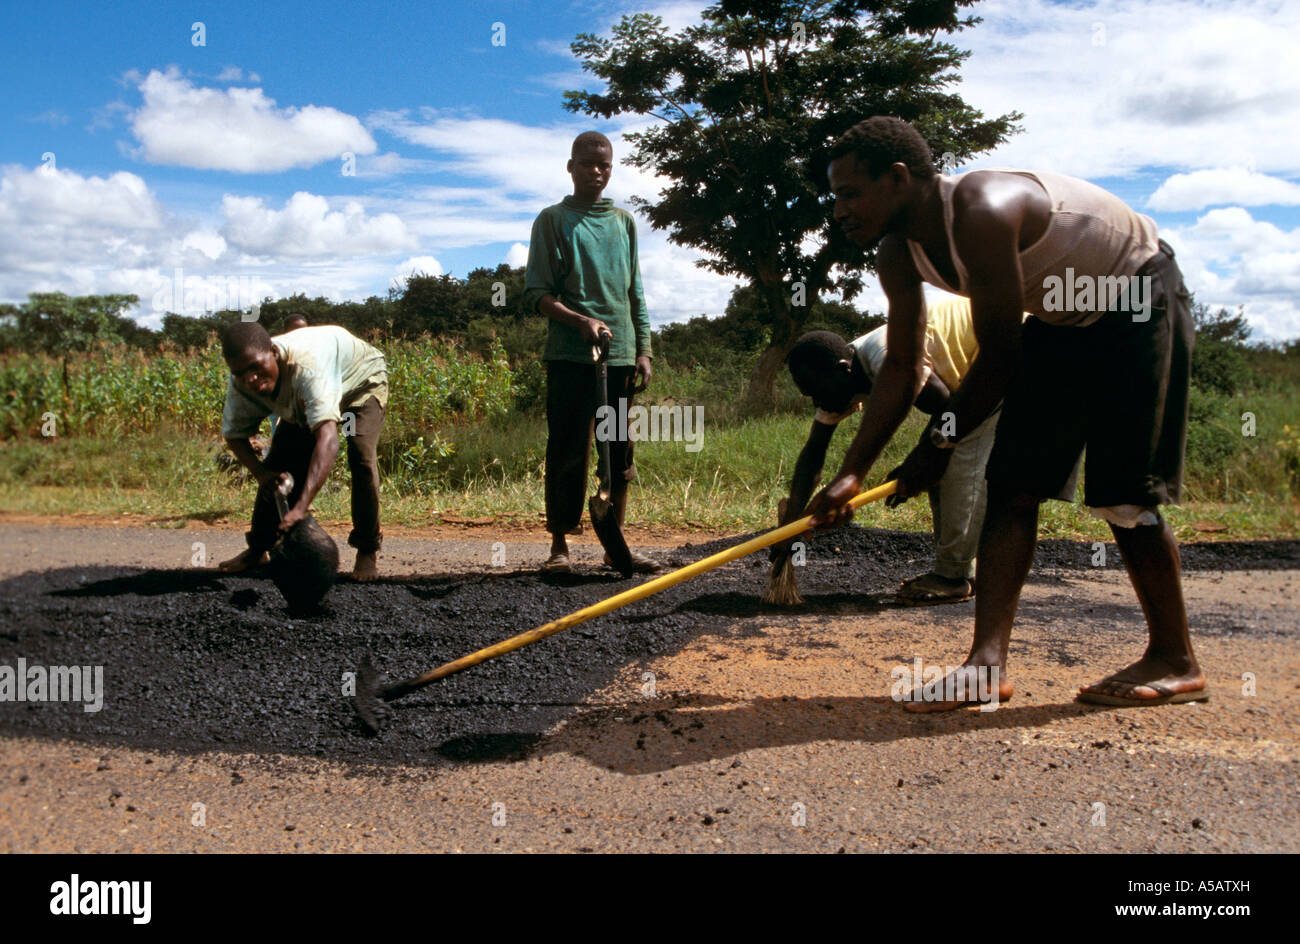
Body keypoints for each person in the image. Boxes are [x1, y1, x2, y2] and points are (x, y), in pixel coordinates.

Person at [805, 116, 1205, 711]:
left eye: (848, 194)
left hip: (1137, 296)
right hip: (1061, 318)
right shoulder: (898, 252)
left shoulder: (980, 210)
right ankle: (985, 667)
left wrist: (936, 448)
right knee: (1011, 486)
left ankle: (1176, 659)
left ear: (897, 178)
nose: (838, 211)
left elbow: (999, 356)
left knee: (1122, 496)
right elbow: (902, 366)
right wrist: (853, 472)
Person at [782, 297, 1019, 603]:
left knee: (954, 461)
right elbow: (814, 452)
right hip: (976, 378)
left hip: (1012, 354)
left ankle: (953, 577)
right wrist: (792, 522)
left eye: (816, 393)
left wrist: (918, 462)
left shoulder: (885, 353)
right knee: (936, 463)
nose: (816, 403)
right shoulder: (838, 378)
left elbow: (948, 411)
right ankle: (959, 569)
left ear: (842, 370)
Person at [524, 131, 659, 575]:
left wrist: (644, 349)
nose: (597, 172)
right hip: (569, 358)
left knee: (618, 450)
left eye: (604, 165)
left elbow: (635, 290)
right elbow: (537, 295)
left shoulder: (623, 222)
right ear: (571, 167)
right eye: (588, 164)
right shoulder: (552, 220)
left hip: (619, 360)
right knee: (567, 450)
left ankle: (614, 545)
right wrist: (580, 322)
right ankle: (559, 548)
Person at [217, 321, 387, 581]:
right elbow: (235, 435)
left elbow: (328, 439)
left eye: (255, 367)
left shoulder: (308, 366)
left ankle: (367, 549)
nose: (250, 378)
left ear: (274, 353)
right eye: (240, 372)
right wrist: (261, 474)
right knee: (278, 463)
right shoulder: (241, 383)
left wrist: (301, 507)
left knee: (360, 457)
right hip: (307, 396)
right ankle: (258, 549)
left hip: (359, 386)